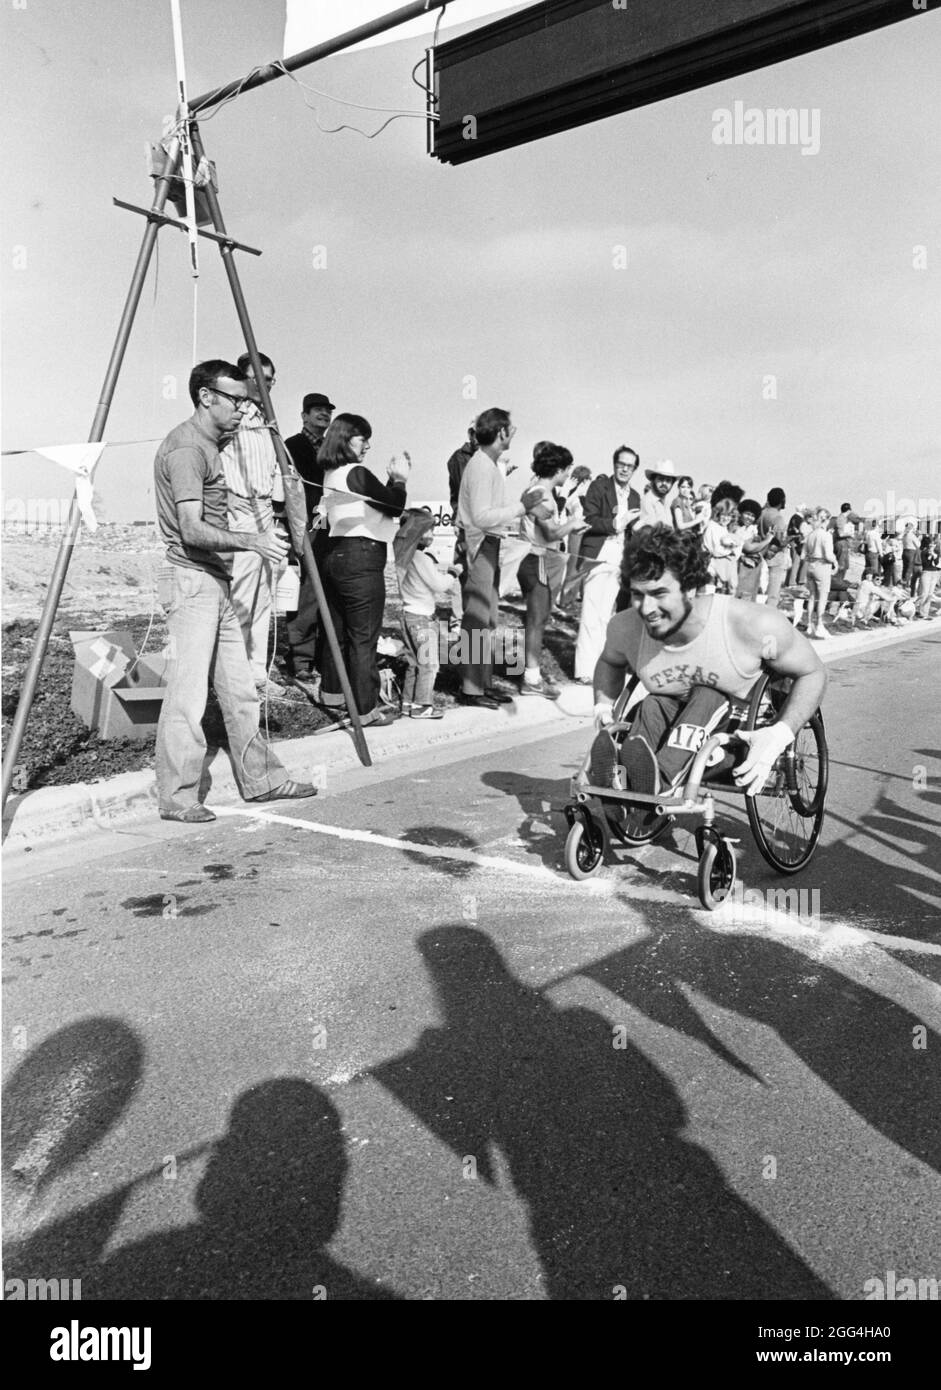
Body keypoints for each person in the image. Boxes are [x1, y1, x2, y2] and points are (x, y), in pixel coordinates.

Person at [153, 361, 317, 822]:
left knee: (241, 690)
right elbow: (190, 528)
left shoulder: (210, 443)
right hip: (193, 581)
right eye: (235, 399)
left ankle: (262, 779)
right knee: (187, 697)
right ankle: (177, 796)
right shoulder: (186, 449)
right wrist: (253, 540)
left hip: (216, 580)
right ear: (206, 397)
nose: (243, 407)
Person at [591, 525, 826, 816]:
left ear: (690, 589)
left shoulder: (753, 624)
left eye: (659, 593)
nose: (646, 608)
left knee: (707, 693)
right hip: (672, 723)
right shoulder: (625, 628)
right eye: (637, 594)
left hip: (738, 736)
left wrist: (780, 732)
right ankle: (623, 783)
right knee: (651, 704)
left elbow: (813, 673)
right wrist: (602, 707)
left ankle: (659, 782)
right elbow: (610, 662)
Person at [318, 413, 409, 726]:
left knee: (340, 632)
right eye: (362, 438)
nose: (368, 444)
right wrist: (399, 479)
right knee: (363, 637)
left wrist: (387, 488)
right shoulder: (356, 471)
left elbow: (373, 503)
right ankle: (365, 708)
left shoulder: (331, 472)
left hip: (335, 553)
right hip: (362, 556)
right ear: (346, 438)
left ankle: (333, 693)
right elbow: (394, 505)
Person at [456, 408, 541, 709]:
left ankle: (482, 683)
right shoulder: (481, 465)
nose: (514, 433)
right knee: (478, 618)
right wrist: (521, 508)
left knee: (488, 618)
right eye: (511, 428)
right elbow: (480, 516)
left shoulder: (488, 464)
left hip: (489, 545)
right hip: (480, 546)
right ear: (501, 432)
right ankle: (470, 688)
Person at [219, 351, 290, 700]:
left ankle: (258, 672)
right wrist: (223, 496)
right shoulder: (231, 414)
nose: (266, 385)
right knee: (243, 596)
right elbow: (209, 455)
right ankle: (235, 677)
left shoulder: (266, 418)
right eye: (259, 378)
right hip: (241, 509)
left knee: (265, 595)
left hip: (264, 509)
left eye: (271, 379)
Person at [516, 442, 587, 698]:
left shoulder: (536, 489)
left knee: (538, 618)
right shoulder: (542, 494)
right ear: (558, 469)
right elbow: (550, 533)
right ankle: (531, 679)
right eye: (567, 469)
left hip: (532, 560)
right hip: (536, 560)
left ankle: (530, 676)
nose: (568, 474)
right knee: (536, 620)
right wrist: (573, 523)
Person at [282, 391, 335, 698]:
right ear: (304, 415)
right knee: (305, 595)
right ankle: (301, 659)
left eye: (327, 411)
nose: (323, 415)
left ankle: (321, 656)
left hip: (329, 524)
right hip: (304, 526)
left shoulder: (332, 448)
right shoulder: (292, 446)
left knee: (326, 591)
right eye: (317, 410)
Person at [573, 446, 642, 682]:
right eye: (621, 464)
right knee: (591, 610)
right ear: (614, 464)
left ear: (634, 469)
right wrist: (616, 523)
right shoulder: (599, 487)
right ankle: (584, 669)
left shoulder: (634, 496)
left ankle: (599, 667)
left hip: (620, 555)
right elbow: (589, 520)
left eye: (629, 466)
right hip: (599, 552)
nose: (624, 469)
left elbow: (633, 530)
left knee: (606, 614)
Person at [394, 509, 459, 719]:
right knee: (430, 663)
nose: (432, 535)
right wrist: (453, 573)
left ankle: (408, 702)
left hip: (407, 614)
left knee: (414, 662)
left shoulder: (404, 554)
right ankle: (422, 705)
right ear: (417, 532)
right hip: (422, 618)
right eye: (428, 530)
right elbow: (438, 585)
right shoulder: (421, 557)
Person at [803, 507, 837, 639]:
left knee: (812, 596)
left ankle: (809, 625)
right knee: (822, 597)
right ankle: (820, 626)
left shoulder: (810, 535)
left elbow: (803, 555)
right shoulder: (826, 535)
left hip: (810, 565)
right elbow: (828, 555)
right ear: (827, 520)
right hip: (822, 565)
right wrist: (835, 562)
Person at [757, 488, 791, 609]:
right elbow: (780, 540)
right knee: (772, 592)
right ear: (782, 501)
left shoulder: (761, 513)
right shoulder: (778, 517)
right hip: (775, 557)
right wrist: (790, 539)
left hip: (761, 552)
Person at [734, 498, 771, 600]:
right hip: (738, 567)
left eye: (752, 516)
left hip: (749, 570)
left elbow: (759, 551)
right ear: (741, 513)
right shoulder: (736, 528)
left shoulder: (751, 530)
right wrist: (767, 540)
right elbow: (748, 548)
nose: (749, 518)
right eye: (747, 514)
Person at [638, 459, 679, 527]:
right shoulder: (647, 501)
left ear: (672, 484)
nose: (664, 483)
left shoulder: (667, 502)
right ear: (653, 480)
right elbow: (652, 533)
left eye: (668, 480)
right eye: (660, 479)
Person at [914, 531, 941, 619]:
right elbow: (925, 564)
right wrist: (929, 556)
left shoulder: (936, 552)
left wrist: (933, 555)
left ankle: (924, 613)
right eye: (931, 545)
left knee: (930, 594)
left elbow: (936, 563)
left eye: (933, 545)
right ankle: (914, 605)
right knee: (924, 593)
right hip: (926, 573)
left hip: (934, 573)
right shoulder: (923, 552)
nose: (932, 546)